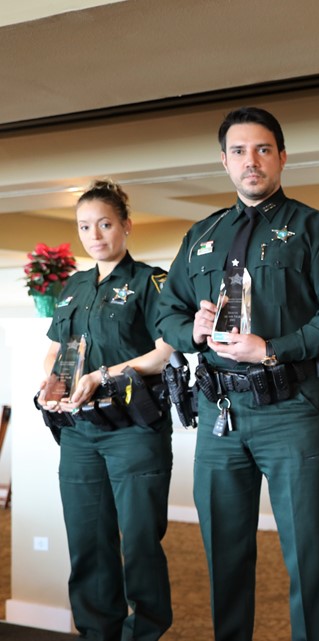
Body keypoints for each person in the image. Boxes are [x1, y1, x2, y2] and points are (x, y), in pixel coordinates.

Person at [155, 106, 319, 641]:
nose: (252, 161)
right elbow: (166, 313)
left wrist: (274, 348)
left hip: (288, 408)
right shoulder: (201, 235)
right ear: (224, 161)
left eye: (263, 150)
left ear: (282, 157)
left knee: (308, 555)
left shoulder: (316, 229)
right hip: (217, 412)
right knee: (224, 557)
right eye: (240, 151)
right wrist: (195, 331)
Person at [37, 179, 174, 640]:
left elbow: (163, 352)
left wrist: (105, 374)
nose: (94, 235)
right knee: (88, 543)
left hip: (133, 430)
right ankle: (98, 633)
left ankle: (146, 633)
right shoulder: (74, 285)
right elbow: (58, 348)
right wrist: (49, 384)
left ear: (126, 226)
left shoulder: (151, 281)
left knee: (138, 543)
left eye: (104, 224)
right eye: (84, 226)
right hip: (79, 433)